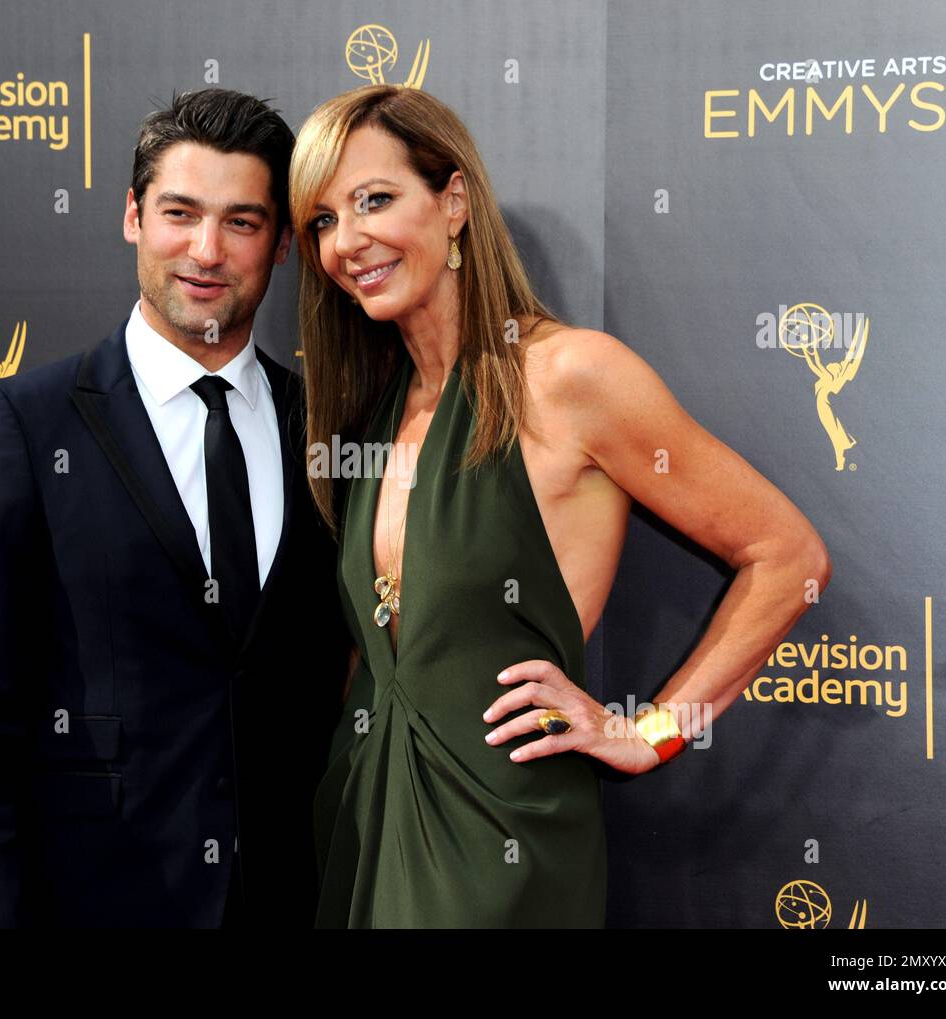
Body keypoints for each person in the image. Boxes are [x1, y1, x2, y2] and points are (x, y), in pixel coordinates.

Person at [288, 84, 833, 928]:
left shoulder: (569, 378)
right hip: (362, 822)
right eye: (322, 219)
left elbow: (788, 557)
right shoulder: (380, 406)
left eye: (375, 200)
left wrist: (645, 731)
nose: (347, 241)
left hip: (500, 843)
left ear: (455, 200)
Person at [0, 87, 350, 928]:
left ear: (284, 245)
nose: (206, 250)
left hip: (293, 898)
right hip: (93, 900)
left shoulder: (327, 429)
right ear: (132, 216)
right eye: (179, 212)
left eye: (242, 222)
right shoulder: (23, 425)